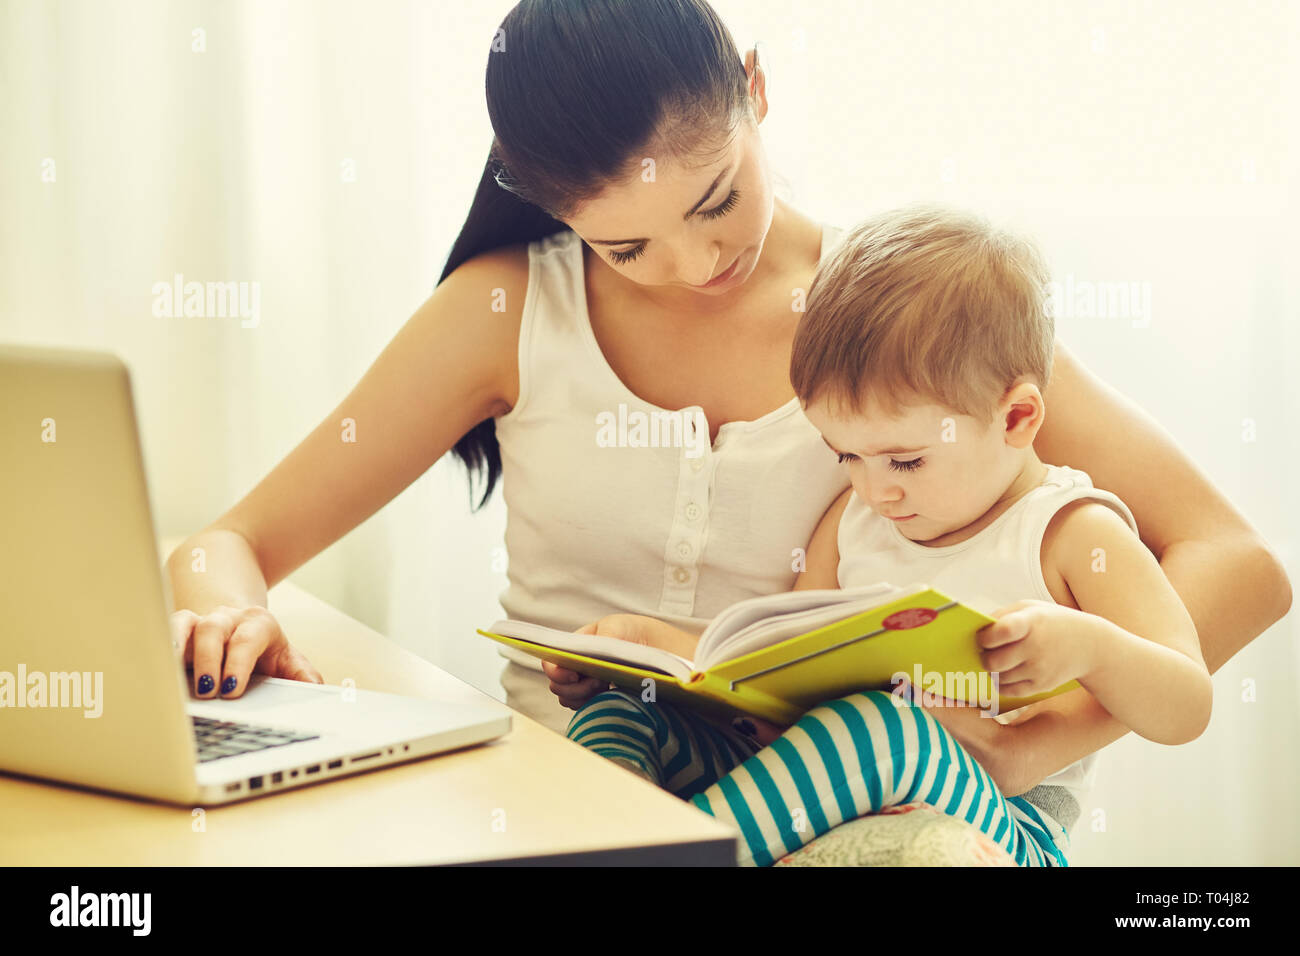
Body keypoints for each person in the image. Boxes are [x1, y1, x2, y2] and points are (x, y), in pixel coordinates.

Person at [165, 0, 1288, 829]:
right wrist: (226, 617)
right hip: (559, 794)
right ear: (549, 201)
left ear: (754, 87)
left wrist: (1048, 732)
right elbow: (231, 543)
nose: (697, 261)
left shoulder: (896, 317)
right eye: (626, 245)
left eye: (716, 200)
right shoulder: (507, 307)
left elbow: (1235, 558)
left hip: (848, 797)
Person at [556, 205, 1215, 866]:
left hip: (1003, 823)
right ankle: (625, 843)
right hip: (827, 780)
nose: (875, 490)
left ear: (1016, 416)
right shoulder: (855, 519)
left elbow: (1188, 703)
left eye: (904, 460)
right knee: (623, 714)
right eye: (845, 454)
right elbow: (775, 660)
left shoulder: (1073, 532)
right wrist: (641, 650)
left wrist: (1092, 649)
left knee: (887, 729)